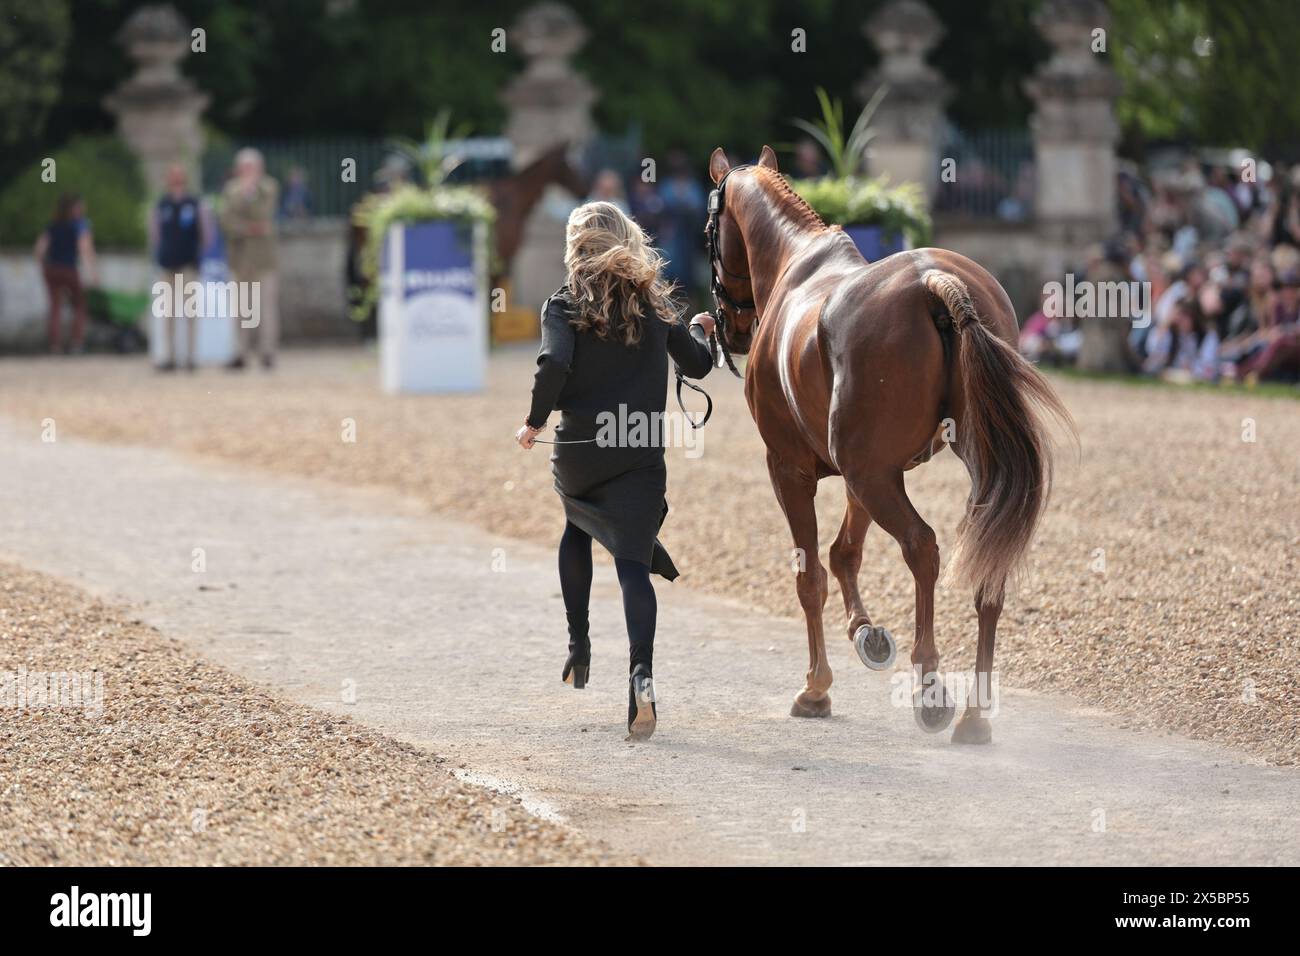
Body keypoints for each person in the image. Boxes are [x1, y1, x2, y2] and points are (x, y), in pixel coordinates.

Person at [515, 201, 714, 740]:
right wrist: (703, 330)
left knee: (576, 526)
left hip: (580, 450)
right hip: (639, 453)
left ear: (576, 246)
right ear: (627, 239)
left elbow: (553, 364)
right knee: (632, 567)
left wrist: (534, 422)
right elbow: (698, 364)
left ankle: (578, 645)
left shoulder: (563, 305)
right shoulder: (655, 303)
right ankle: (641, 677)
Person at [219, 148, 280, 369]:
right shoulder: (231, 189)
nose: (248, 171)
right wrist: (248, 225)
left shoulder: (269, 187)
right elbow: (226, 220)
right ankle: (240, 352)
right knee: (241, 309)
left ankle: (267, 352)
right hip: (240, 258)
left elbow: (264, 216)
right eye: (244, 167)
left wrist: (251, 194)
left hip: (264, 259)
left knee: (266, 307)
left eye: (251, 167)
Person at [149, 164, 209, 371]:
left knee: (190, 312)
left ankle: (191, 357)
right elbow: (155, 233)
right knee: (168, 313)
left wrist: (199, 254)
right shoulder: (162, 203)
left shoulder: (194, 203)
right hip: (167, 264)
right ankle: (170, 357)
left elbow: (205, 232)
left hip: (188, 264)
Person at [33, 193, 98, 354]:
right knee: (79, 305)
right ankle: (76, 343)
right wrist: (92, 272)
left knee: (55, 307)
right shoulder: (80, 225)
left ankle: (55, 345)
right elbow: (85, 248)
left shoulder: (53, 225)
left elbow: (39, 250)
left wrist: (44, 267)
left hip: (51, 269)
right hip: (69, 269)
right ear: (75, 208)